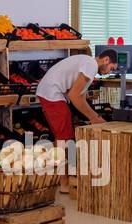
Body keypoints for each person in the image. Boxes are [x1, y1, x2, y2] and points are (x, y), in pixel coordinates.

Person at [35, 48, 117, 194]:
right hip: (52, 93)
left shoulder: (88, 65)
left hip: (54, 93)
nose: (109, 72)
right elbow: (74, 96)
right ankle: (64, 183)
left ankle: (63, 179)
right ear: (106, 60)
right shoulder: (91, 65)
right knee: (64, 139)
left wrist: (94, 117)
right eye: (111, 68)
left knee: (63, 138)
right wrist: (94, 118)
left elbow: (81, 97)